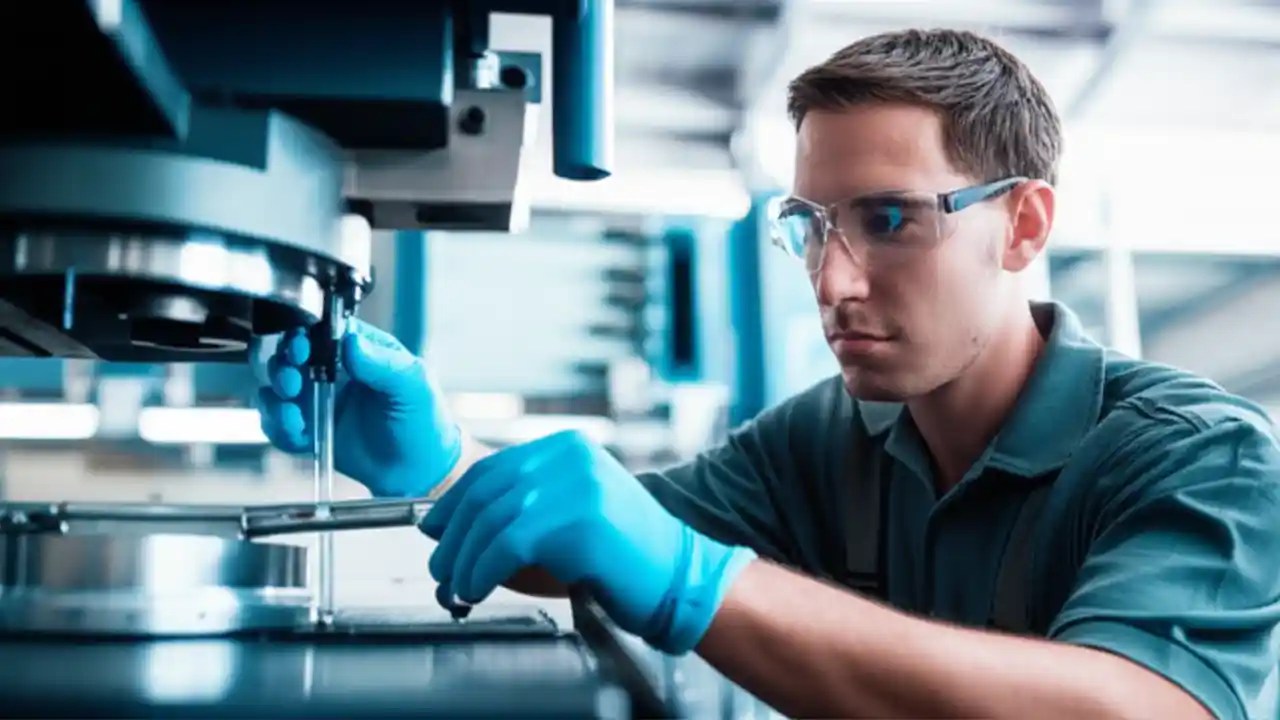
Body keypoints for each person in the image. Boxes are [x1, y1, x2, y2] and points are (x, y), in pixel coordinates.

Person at [255, 28, 1280, 719]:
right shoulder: (825, 439)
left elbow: (1134, 708)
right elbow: (595, 540)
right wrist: (437, 462)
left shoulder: (1202, 456)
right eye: (810, 228)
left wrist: (697, 583)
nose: (831, 281)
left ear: (1022, 226)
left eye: (888, 220)